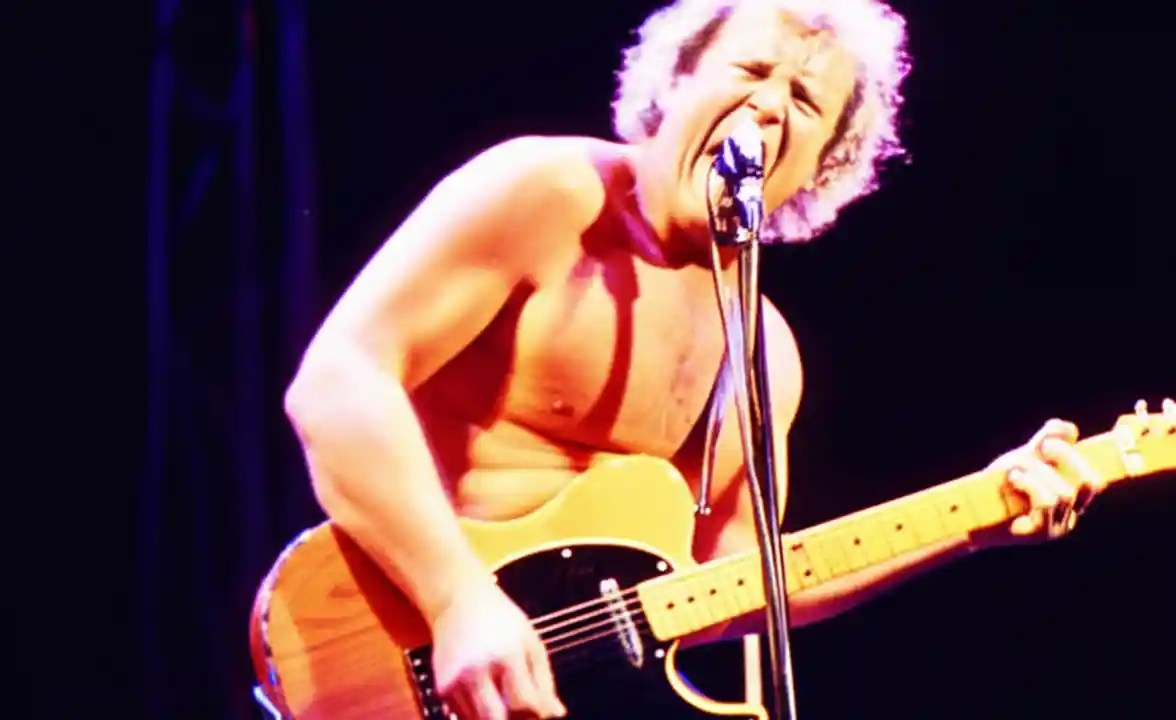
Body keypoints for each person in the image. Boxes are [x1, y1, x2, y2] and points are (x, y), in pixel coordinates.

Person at [282, 0, 1102, 717]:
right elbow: (337, 382)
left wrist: (975, 520)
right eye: (750, 67)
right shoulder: (550, 193)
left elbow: (739, 583)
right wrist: (458, 597)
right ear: (673, 82)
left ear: (822, 168)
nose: (769, 105)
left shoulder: (762, 353)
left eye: (806, 101)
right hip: (400, 649)